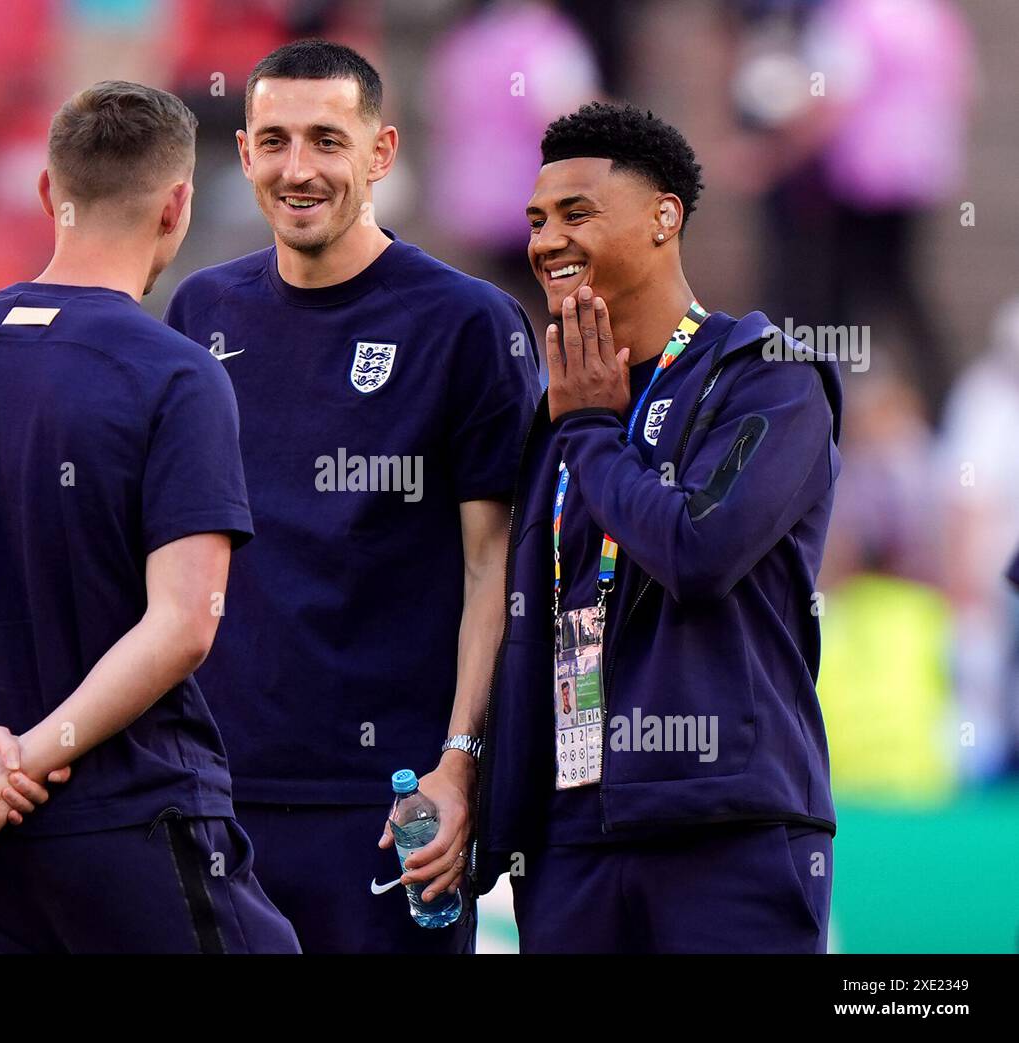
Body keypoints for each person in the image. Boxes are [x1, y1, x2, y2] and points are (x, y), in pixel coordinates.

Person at [0, 81, 298, 954]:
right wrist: (31, 756)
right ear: (177, 206)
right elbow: (183, 625)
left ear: (50, 194)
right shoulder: (178, 375)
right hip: (132, 818)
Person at [165, 40, 540, 954]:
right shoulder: (200, 312)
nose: (300, 170)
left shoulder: (469, 324)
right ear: (244, 155)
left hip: (389, 804)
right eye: (277, 141)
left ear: (381, 152)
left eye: (328, 141)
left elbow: (498, 565)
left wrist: (463, 764)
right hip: (217, 796)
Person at [475, 102, 842, 953]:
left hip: (726, 824)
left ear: (663, 217)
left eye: (576, 214)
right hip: (570, 836)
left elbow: (699, 551)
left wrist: (595, 433)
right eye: (535, 220)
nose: (546, 241)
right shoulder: (557, 412)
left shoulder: (769, 377)